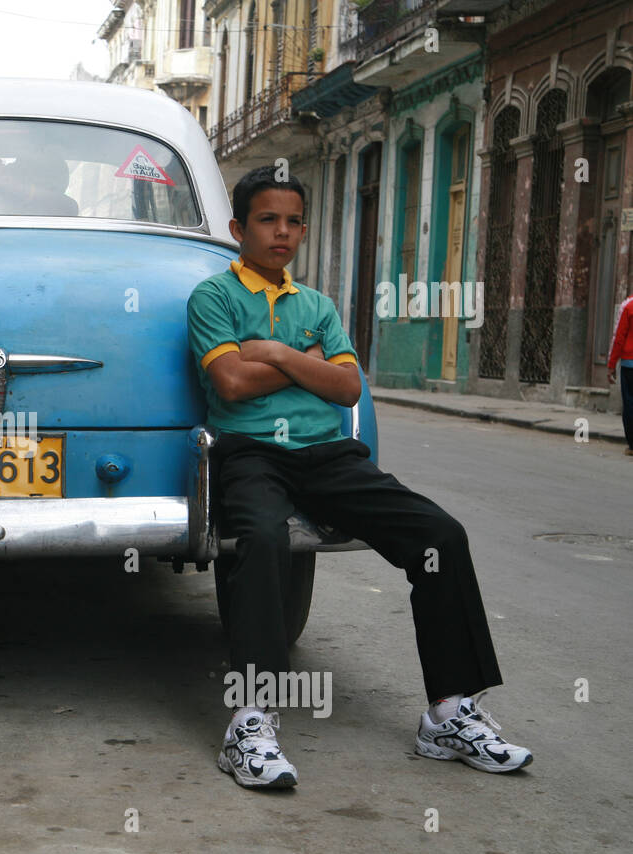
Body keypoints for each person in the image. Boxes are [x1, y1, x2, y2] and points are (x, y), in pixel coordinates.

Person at [187, 165, 532, 790]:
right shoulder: (213, 299)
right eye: (268, 219)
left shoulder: (316, 305)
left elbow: (347, 386)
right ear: (239, 228)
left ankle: (450, 712)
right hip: (249, 453)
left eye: (294, 221)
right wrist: (308, 363)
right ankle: (252, 721)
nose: (282, 232)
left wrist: (277, 353)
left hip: (328, 454)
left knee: (440, 535)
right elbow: (231, 385)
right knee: (262, 540)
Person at [608, 294, 633, 455]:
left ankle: (632, 445)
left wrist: (611, 365)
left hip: (629, 364)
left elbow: (619, 337)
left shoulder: (628, 306)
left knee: (630, 403)